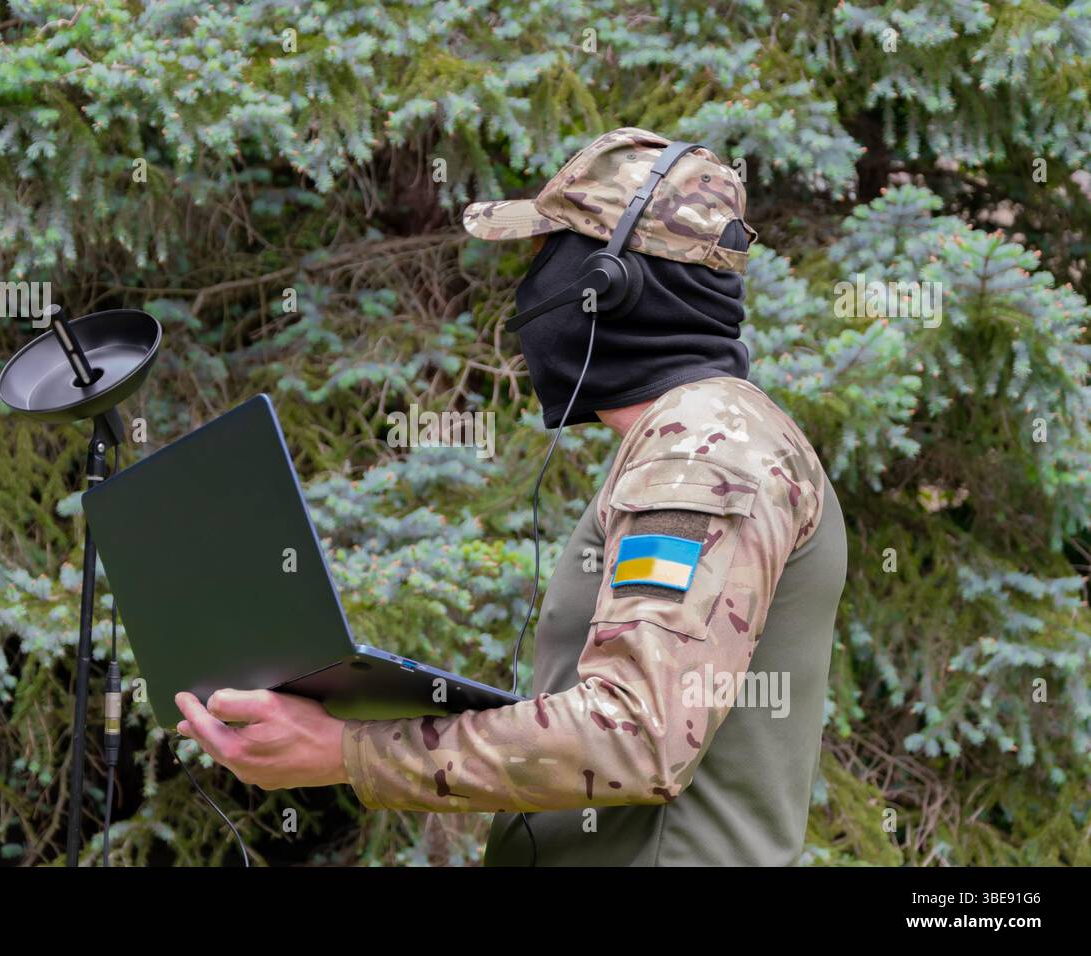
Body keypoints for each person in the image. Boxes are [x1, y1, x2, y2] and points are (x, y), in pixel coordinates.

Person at [174, 128, 848, 866]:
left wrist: (352, 751)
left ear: (604, 283)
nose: (530, 290)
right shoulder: (696, 435)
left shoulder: (702, 447)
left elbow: (636, 734)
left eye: (545, 256)